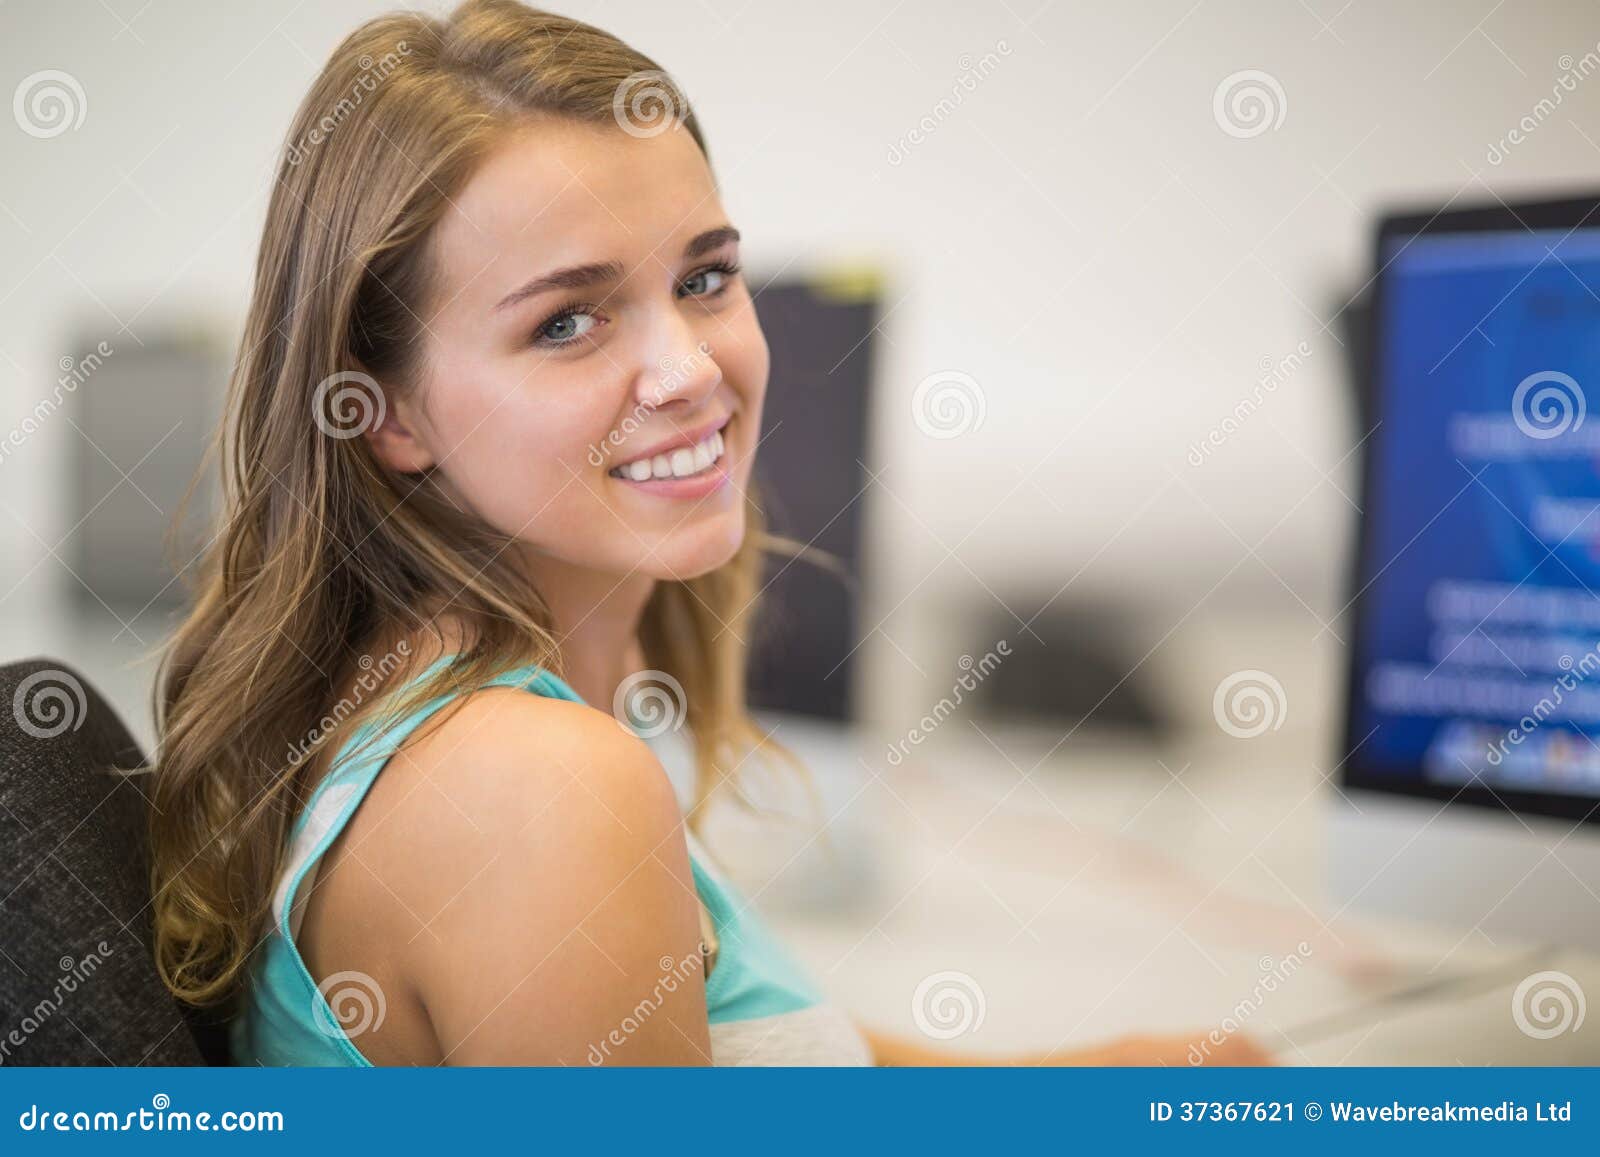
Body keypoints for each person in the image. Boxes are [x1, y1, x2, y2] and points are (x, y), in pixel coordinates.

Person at [149, 0, 1270, 1067]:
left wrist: (1087, 1081)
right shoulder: (537, 787)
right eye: (567, 321)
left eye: (704, 277)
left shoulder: (500, 703)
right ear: (384, 410)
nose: (691, 369)